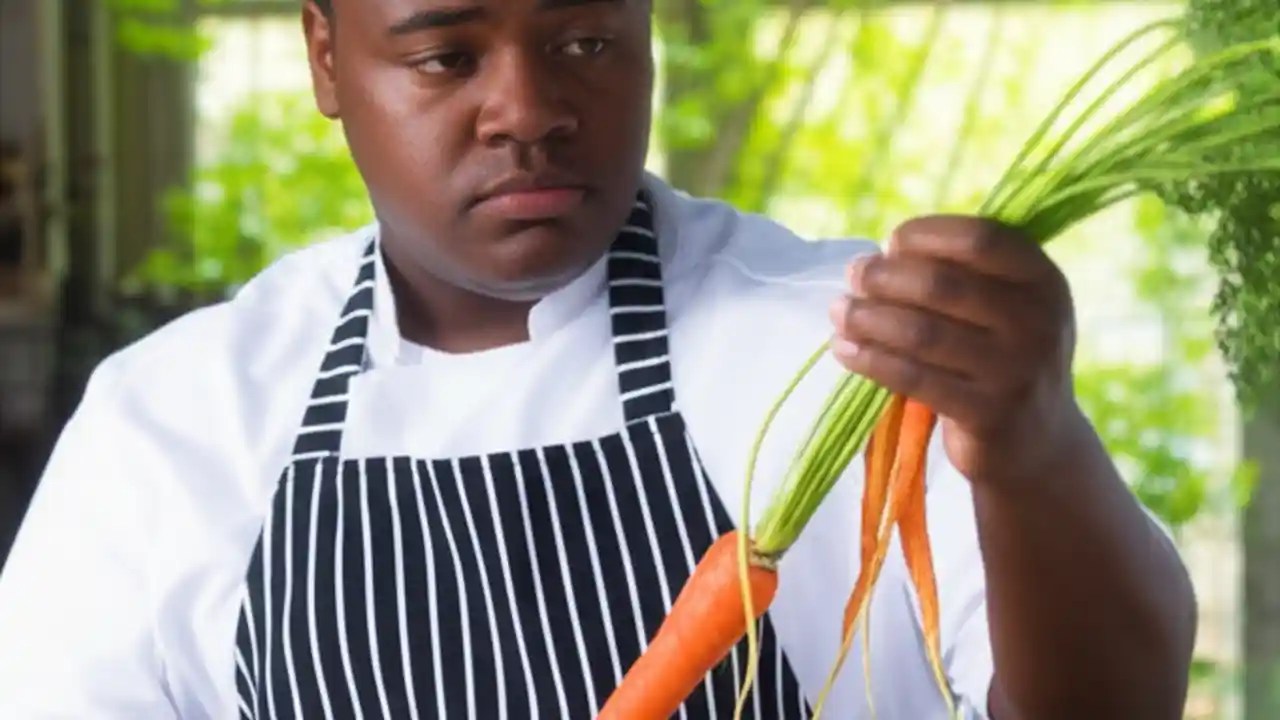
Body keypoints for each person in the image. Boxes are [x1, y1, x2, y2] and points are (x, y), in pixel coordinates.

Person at [0, 0, 1197, 718]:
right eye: (444, 56)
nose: (528, 107)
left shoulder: (848, 341)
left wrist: (1033, 446)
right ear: (326, 58)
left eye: (584, 38)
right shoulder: (172, 422)